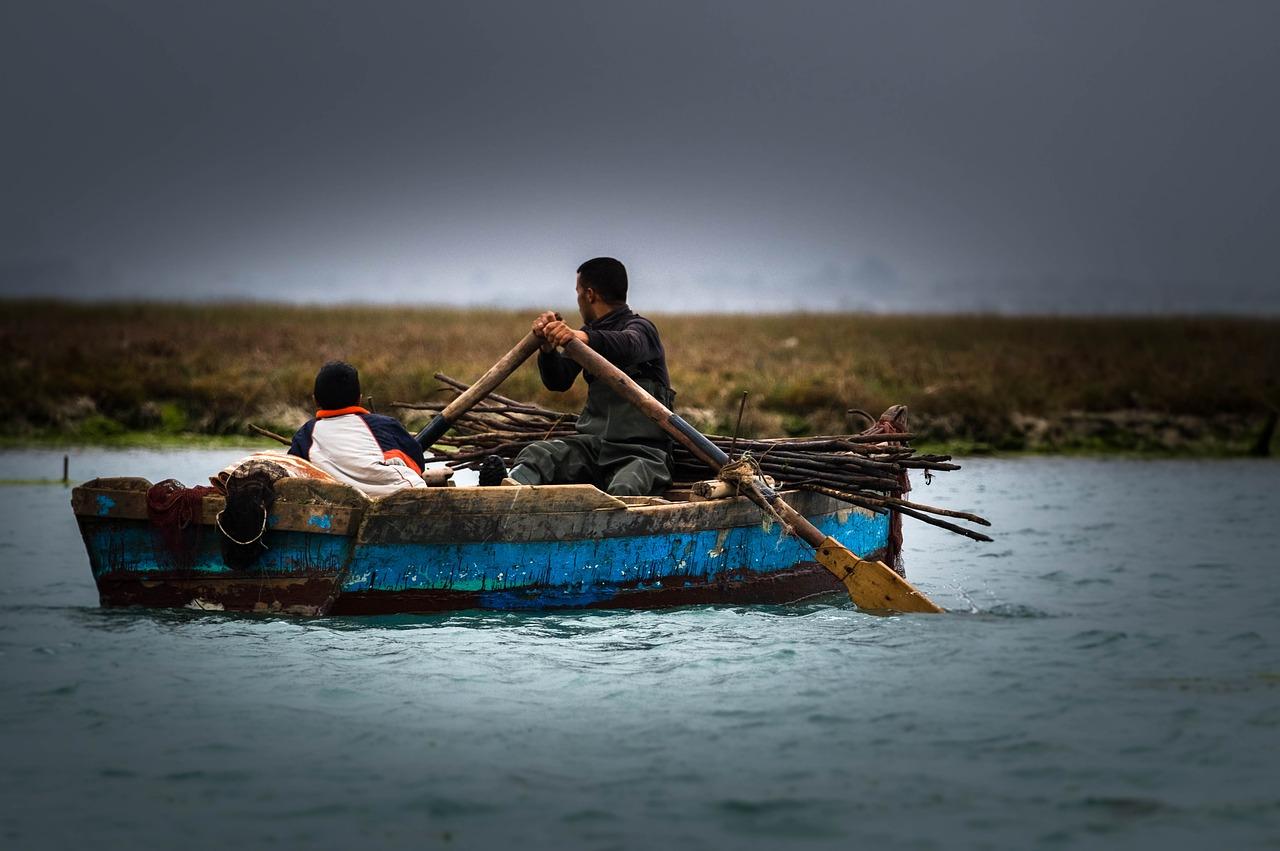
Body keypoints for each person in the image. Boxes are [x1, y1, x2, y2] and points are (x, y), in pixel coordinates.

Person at [497, 257, 675, 497]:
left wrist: (580, 338)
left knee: (626, 485)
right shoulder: (586, 335)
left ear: (590, 295)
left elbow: (629, 345)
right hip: (594, 448)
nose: (579, 300)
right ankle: (507, 493)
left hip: (642, 453)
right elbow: (558, 382)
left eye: (578, 293)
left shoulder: (642, 329)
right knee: (538, 455)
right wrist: (548, 348)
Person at [288, 360, 428, 497]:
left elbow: (293, 475)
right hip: (403, 498)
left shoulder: (306, 435)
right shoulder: (384, 426)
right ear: (359, 399)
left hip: (335, 505)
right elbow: (417, 465)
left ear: (315, 400)